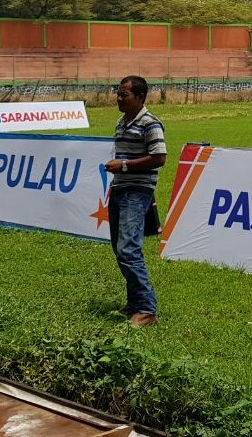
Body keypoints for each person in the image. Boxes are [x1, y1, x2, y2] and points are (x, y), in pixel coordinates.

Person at [104, 75, 167, 327]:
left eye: (124, 95)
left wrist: (125, 166)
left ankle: (147, 309)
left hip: (137, 192)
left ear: (140, 97)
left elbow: (160, 157)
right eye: (118, 94)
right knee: (120, 249)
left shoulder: (150, 123)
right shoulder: (121, 122)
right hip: (119, 190)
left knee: (128, 249)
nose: (118, 99)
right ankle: (133, 302)